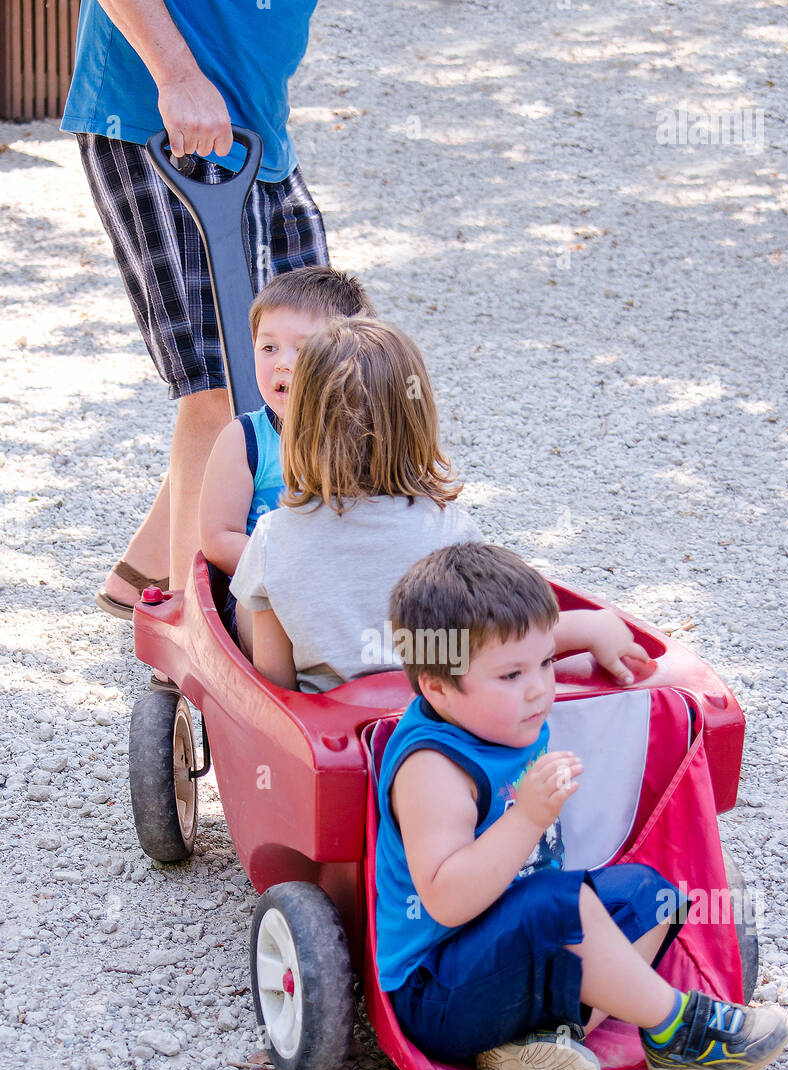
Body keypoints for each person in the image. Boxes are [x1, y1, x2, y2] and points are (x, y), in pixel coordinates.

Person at [375, 542, 788, 1070]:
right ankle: (678, 1025)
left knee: (651, 895)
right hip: (439, 990)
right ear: (438, 688)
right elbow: (447, 901)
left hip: (513, 955)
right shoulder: (435, 769)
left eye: (546, 664)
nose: (539, 687)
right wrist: (526, 818)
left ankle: (538, 1043)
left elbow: (525, 640)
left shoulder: (493, 700)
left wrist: (597, 627)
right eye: (513, 675)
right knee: (558, 904)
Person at [61, 0, 328, 621]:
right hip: (160, 120)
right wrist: (177, 77)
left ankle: (145, 572)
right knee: (219, 380)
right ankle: (193, 632)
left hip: (259, 132)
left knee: (307, 369)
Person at [231, 317, 659, 694]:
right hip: (444, 724)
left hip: (336, 745)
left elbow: (276, 687)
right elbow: (486, 644)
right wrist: (588, 626)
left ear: (300, 430)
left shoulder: (273, 539)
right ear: (416, 426)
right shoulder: (450, 530)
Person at [199, 266, 375, 656]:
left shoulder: (366, 436)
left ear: (354, 360)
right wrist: (290, 571)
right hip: (267, 589)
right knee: (267, 605)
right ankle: (280, 707)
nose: (282, 362)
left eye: (304, 348)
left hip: (348, 588)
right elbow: (218, 537)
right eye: (269, 347)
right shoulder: (247, 441)